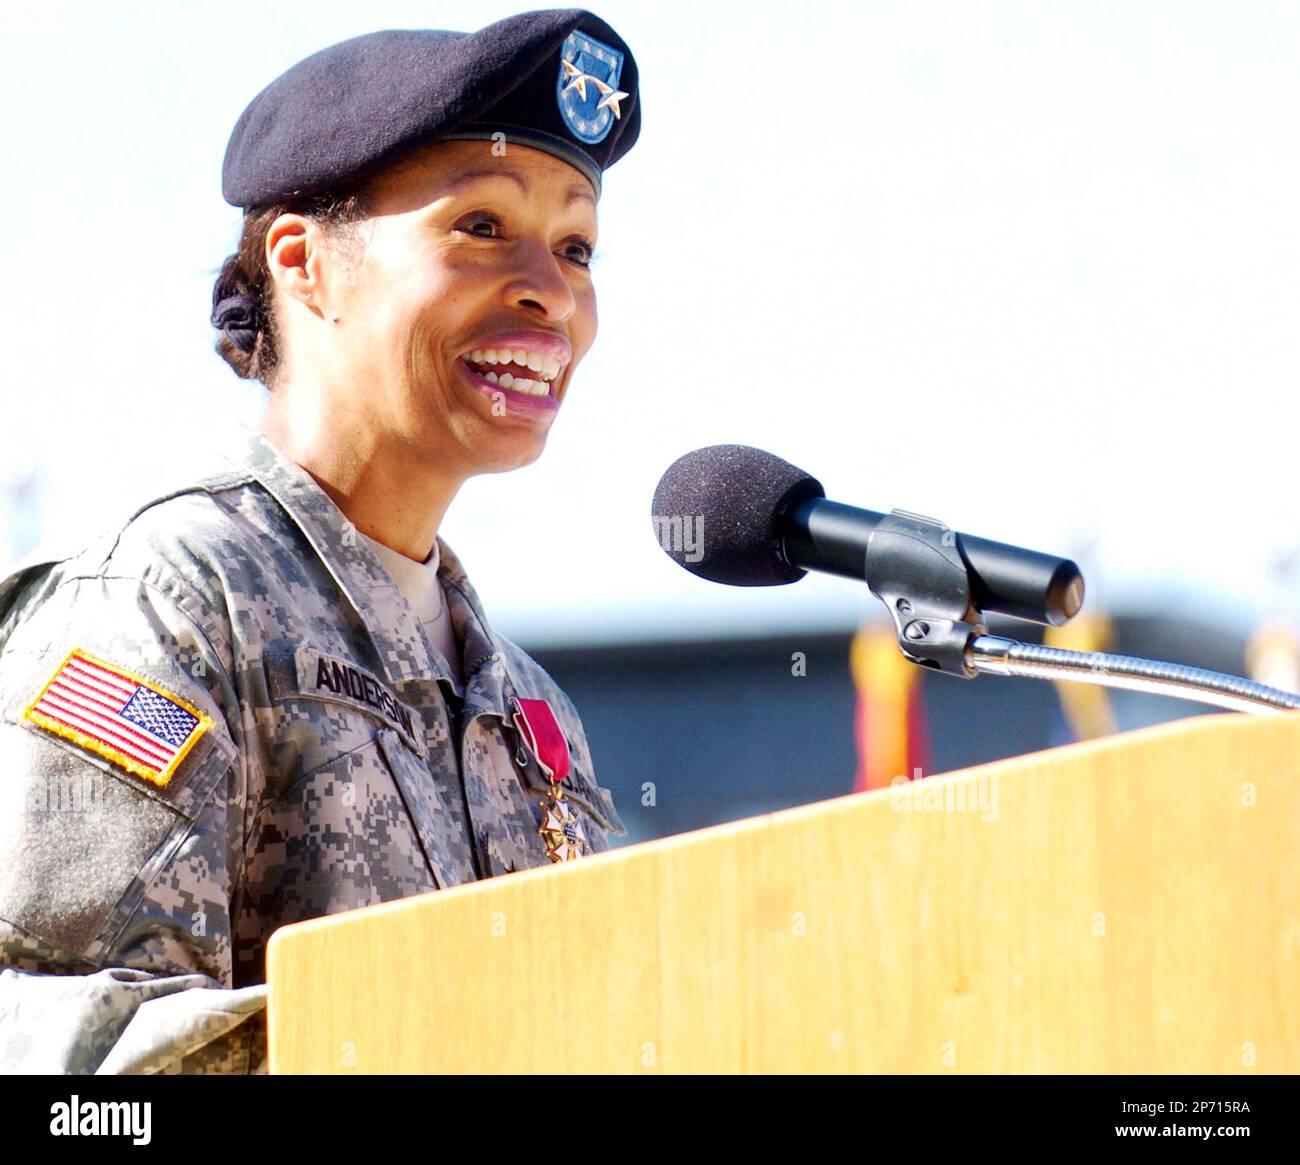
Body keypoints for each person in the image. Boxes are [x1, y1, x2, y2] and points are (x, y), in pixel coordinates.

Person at [0, 8, 639, 1074]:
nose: (553, 289)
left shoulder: (529, 710)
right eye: (481, 227)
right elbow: (75, 1069)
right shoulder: (167, 607)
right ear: (306, 263)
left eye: (577, 246)